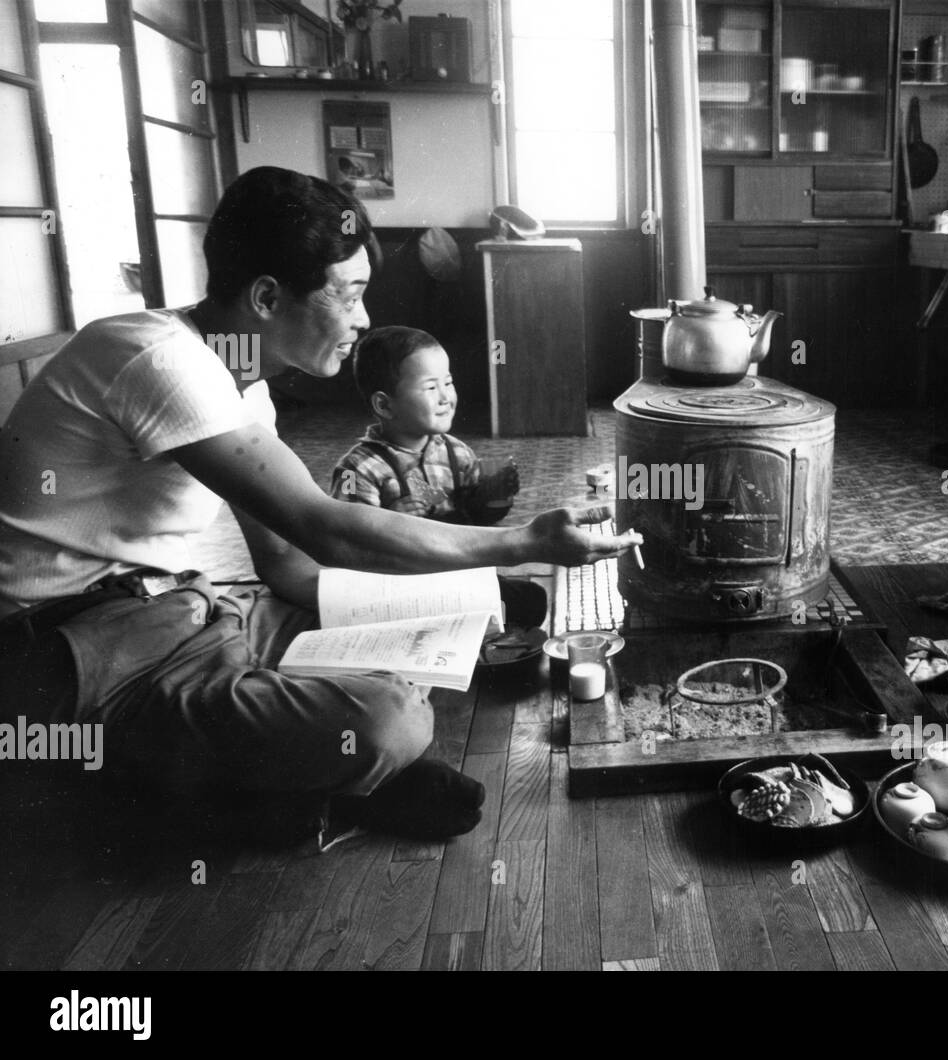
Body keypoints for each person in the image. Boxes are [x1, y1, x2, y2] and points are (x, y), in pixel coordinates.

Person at [0, 166, 640, 840]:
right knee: (390, 720)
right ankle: (298, 800)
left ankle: (299, 767)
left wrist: (449, 595)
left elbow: (286, 567)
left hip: (187, 611)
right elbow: (326, 528)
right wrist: (527, 543)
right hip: (71, 658)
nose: (364, 320)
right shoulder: (159, 361)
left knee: (451, 625)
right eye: (350, 295)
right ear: (269, 297)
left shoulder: (241, 384)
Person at [329, 325, 517, 524]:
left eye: (448, 382)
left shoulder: (459, 453)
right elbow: (347, 533)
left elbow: (476, 519)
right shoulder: (357, 470)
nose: (445, 397)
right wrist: (390, 521)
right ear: (384, 405)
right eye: (431, 387)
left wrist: (493, 498)